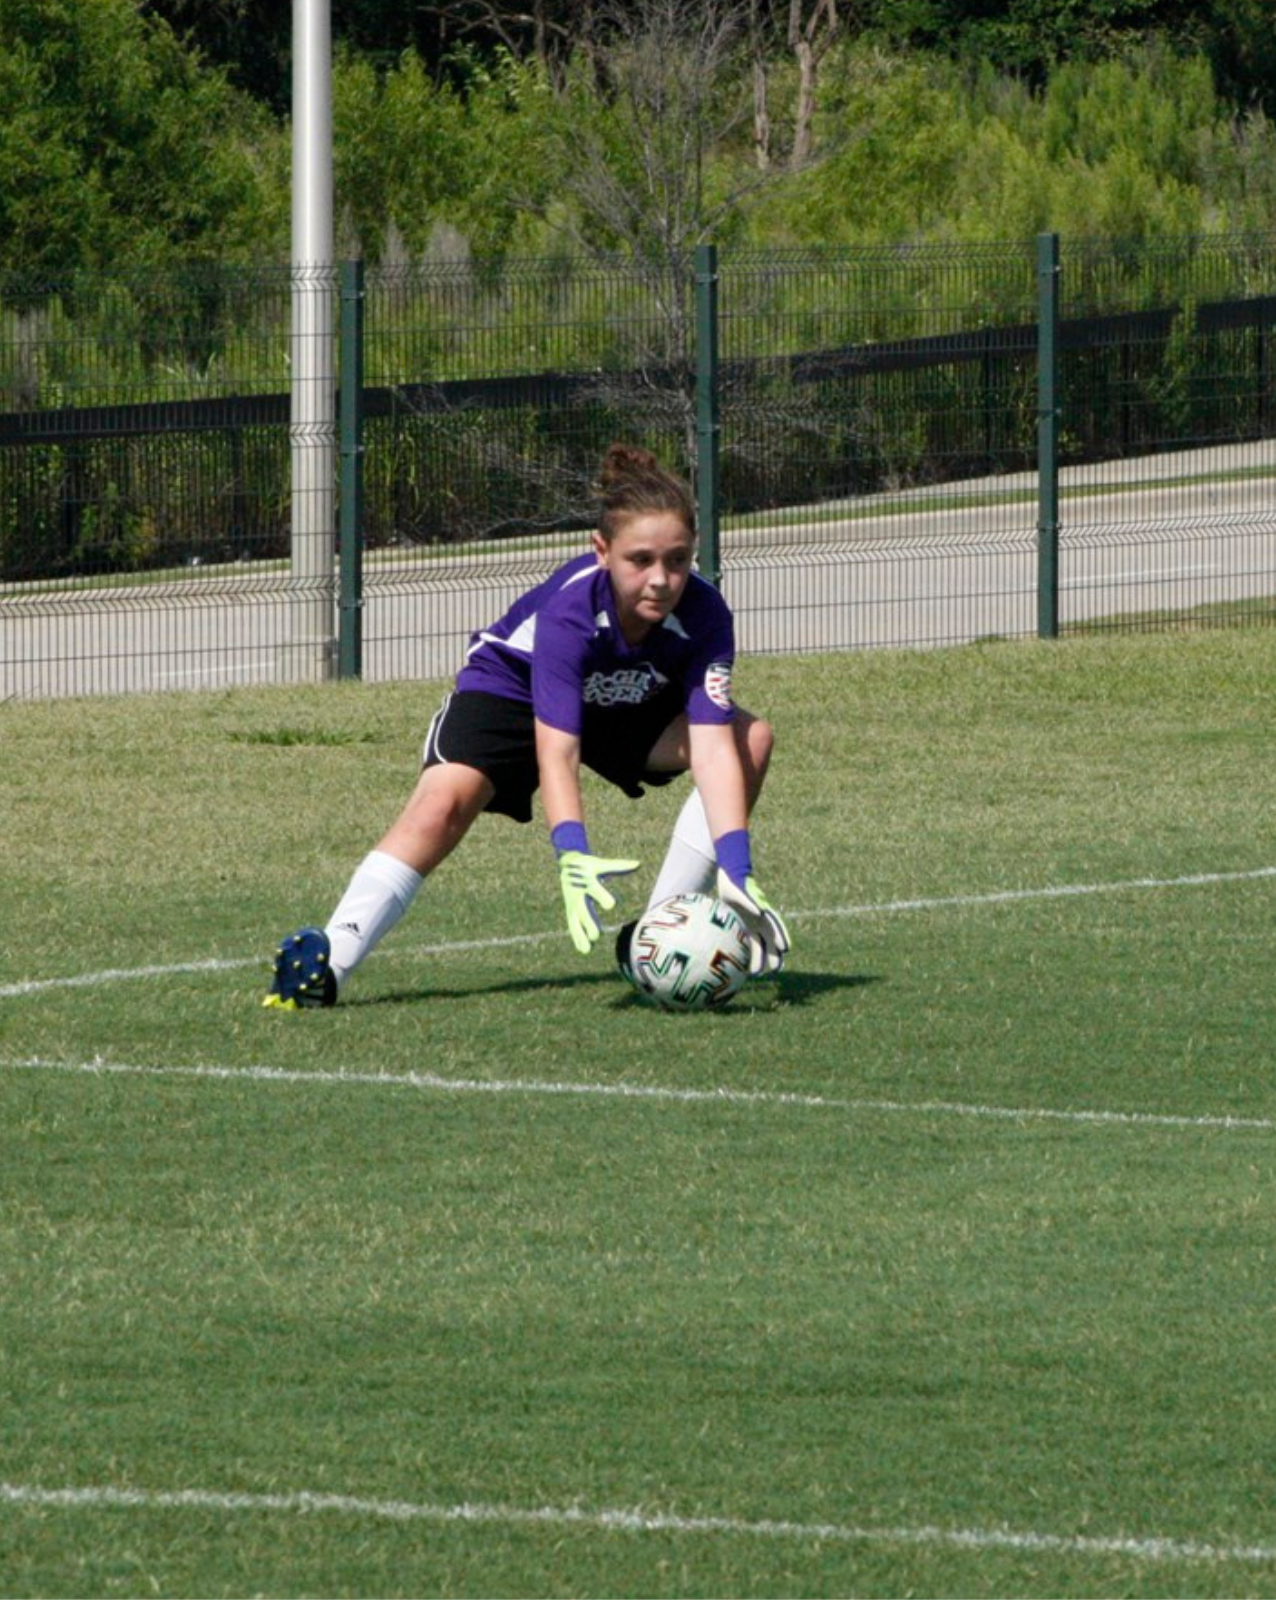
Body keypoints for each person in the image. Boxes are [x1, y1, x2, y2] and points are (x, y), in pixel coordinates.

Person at [262, 442, 789, 1009]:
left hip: (623, 699)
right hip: (509, 690)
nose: (661, 579)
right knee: (444, 802)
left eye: (678, 560)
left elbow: (712, 751)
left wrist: (736, 871)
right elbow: (556, 752)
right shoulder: (570, 612)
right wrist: (572, 852)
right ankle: (332, 960)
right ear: (602, 550)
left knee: (748, 737)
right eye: (640, 560)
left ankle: (655, 940)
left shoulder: (706, 613)